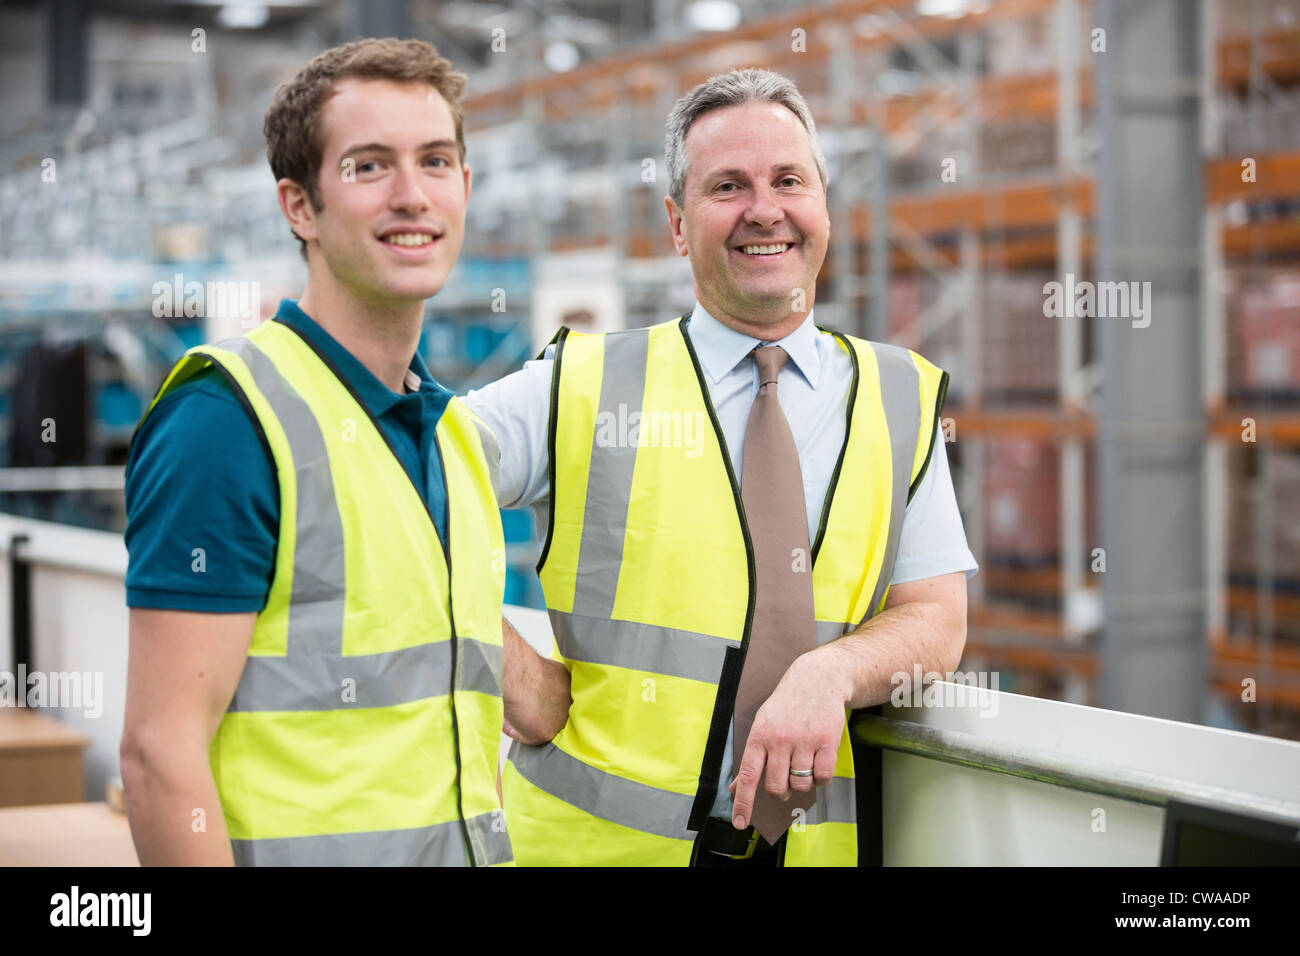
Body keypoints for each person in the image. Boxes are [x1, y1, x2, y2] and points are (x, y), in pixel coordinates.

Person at [466, 68, 976, 867]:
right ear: (677, 224)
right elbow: (396, 486)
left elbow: (937, 620)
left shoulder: (901, 396)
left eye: (788, 181)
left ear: (823, 209)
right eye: (727, 187)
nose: (764, 209)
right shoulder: (581, 388)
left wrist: (834, 671)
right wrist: (507, 674)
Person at [119, 38, 569, 867]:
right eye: (369, 167)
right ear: (299, 206)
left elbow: (464, 664)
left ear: (465, 188)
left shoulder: (449, 436)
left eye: (436, 161)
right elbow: (158, 759)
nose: (411, 196)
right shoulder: (226, 420)